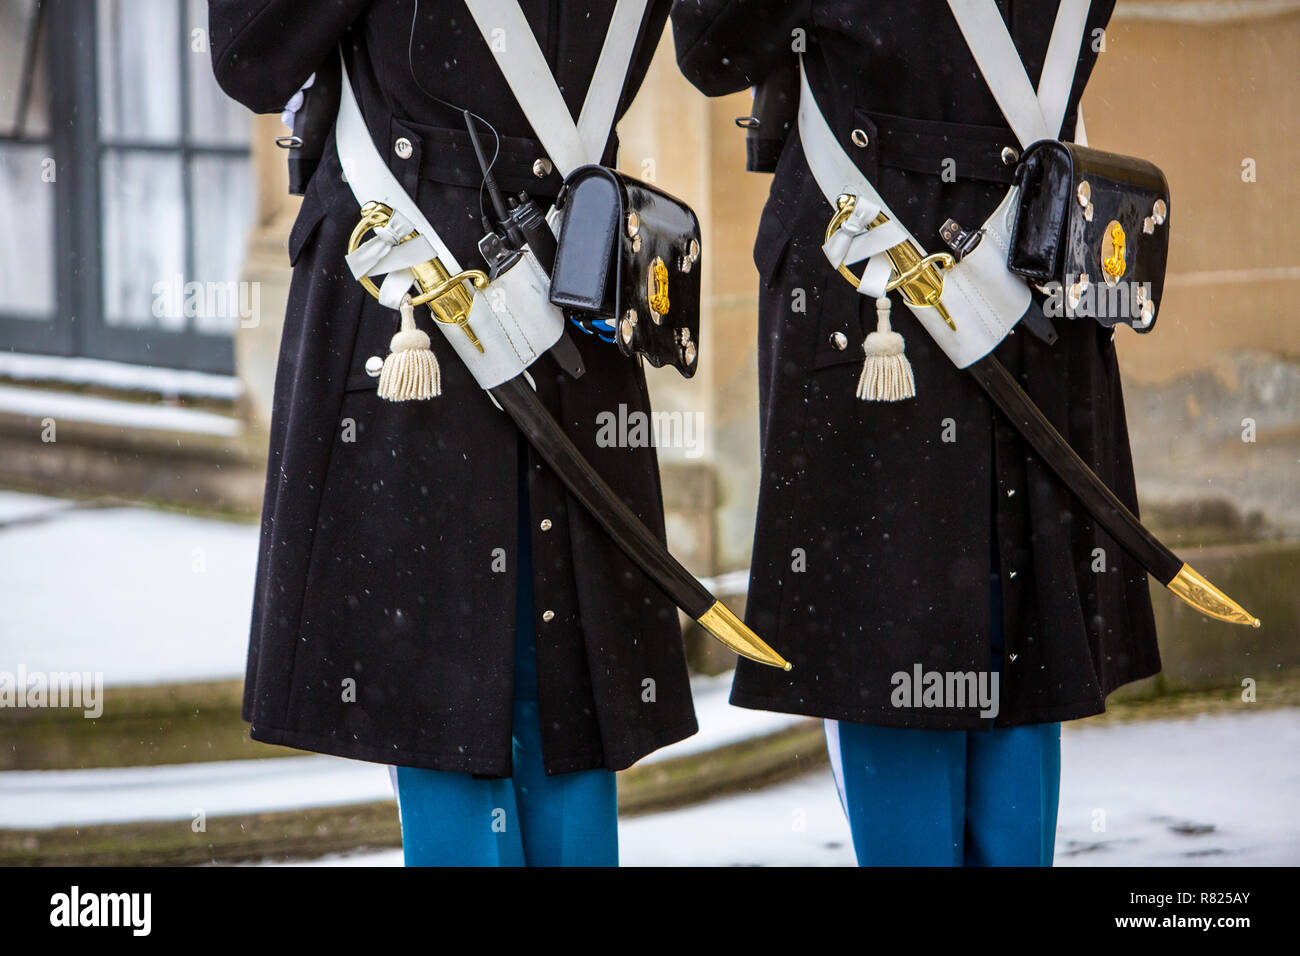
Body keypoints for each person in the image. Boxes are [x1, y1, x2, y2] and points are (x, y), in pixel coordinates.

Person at [670, 0, 1160, 866]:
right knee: (1024, 646)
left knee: (885, 651)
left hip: (875, 299)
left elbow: (711, 48)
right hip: (1036, 272)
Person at [209, 0, 696, 866]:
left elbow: (250, 60)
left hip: (420, 311)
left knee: (450, 698)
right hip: (572, 291)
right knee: (560, 694)